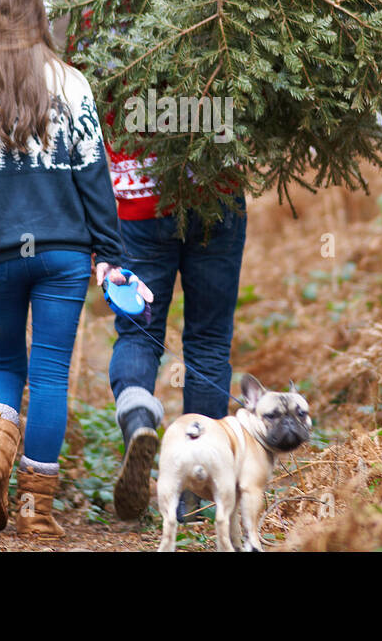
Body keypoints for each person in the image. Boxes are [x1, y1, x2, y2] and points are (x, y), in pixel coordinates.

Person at [0, 0, 138, 539]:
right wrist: (108, 251)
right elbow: (94, 175)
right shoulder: (70, 83)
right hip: (63, 255)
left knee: (4, 366)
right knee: (49, 374)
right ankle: (36, 509)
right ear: (37, 14)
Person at [105, 135, 248, 522]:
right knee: (209, 340)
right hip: (217, 190)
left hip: (140, 201)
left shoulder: (91, 69)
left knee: (137, 333)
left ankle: (138, 418)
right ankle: (195, 490)